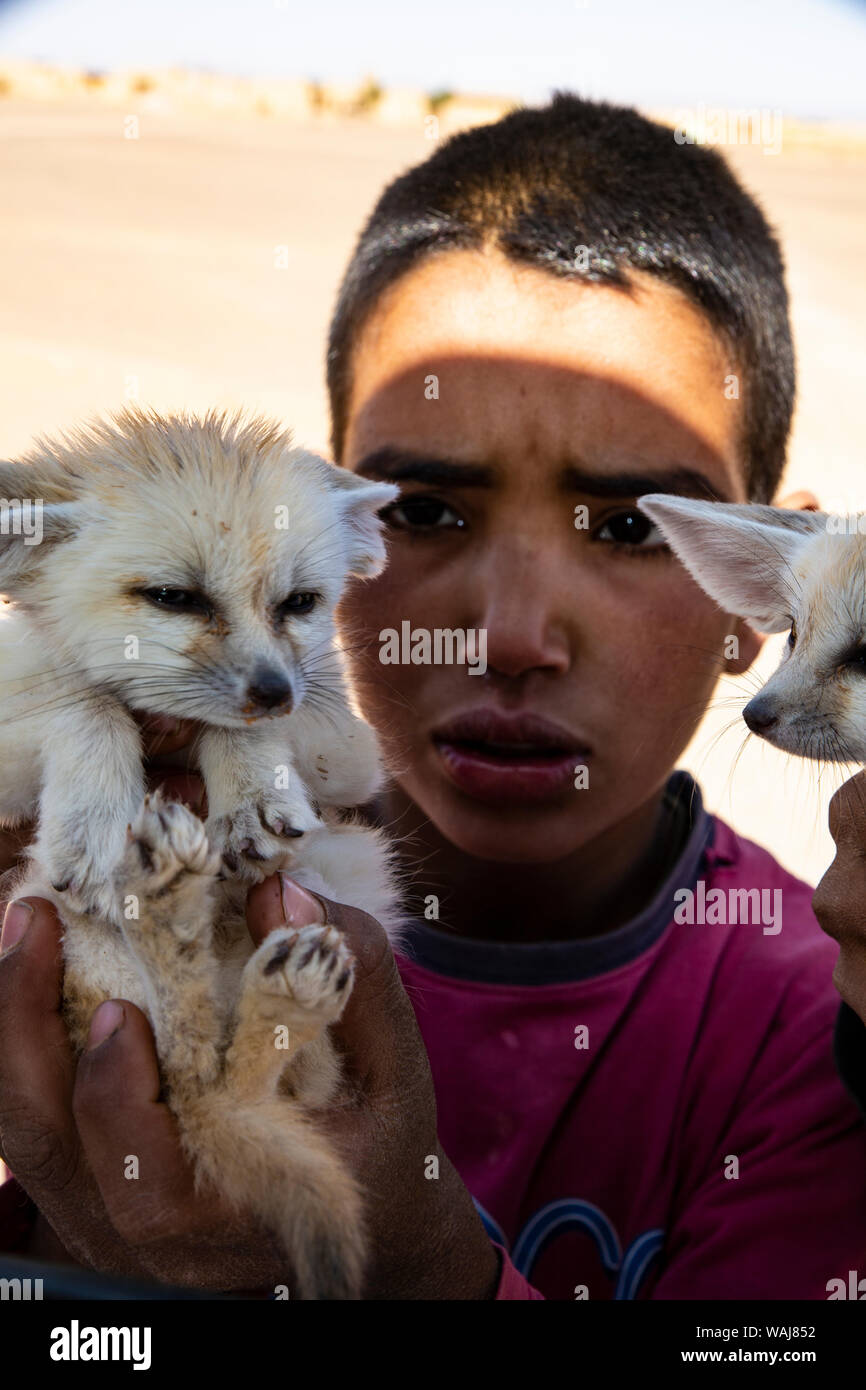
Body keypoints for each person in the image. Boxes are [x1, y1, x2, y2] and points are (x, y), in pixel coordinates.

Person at [2, 91, 865, 1299]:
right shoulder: (64, 824)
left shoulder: (815, 1020)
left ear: (765, 584)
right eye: (422, 514)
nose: (511, 636)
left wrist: (416, 1274)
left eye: (625, 526)